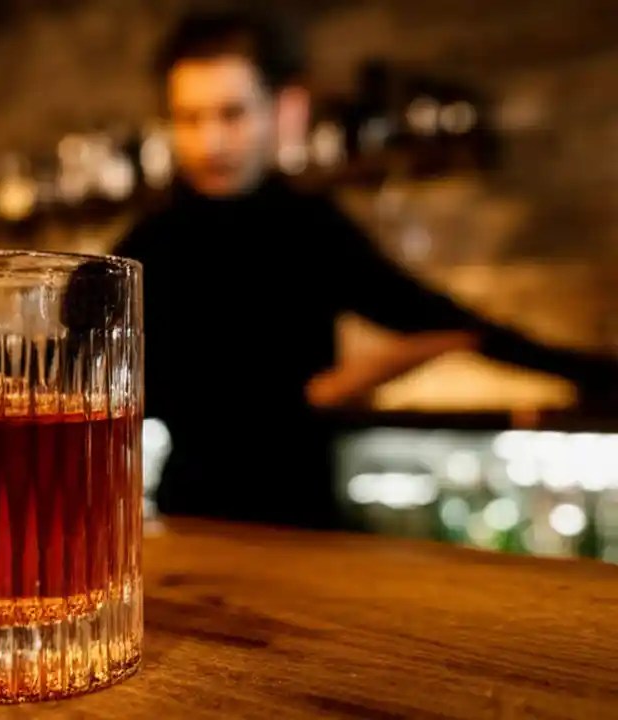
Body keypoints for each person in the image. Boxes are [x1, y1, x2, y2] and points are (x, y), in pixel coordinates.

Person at [117, 10, 618, 529]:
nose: (211, 142)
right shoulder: (151, 241)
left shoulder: (309, 226)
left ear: (283, 111)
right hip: (189, 519)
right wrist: (324, 388)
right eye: (189, 119)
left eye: (231, 114)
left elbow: (435, 317)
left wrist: (591, 373)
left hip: (302, 511)